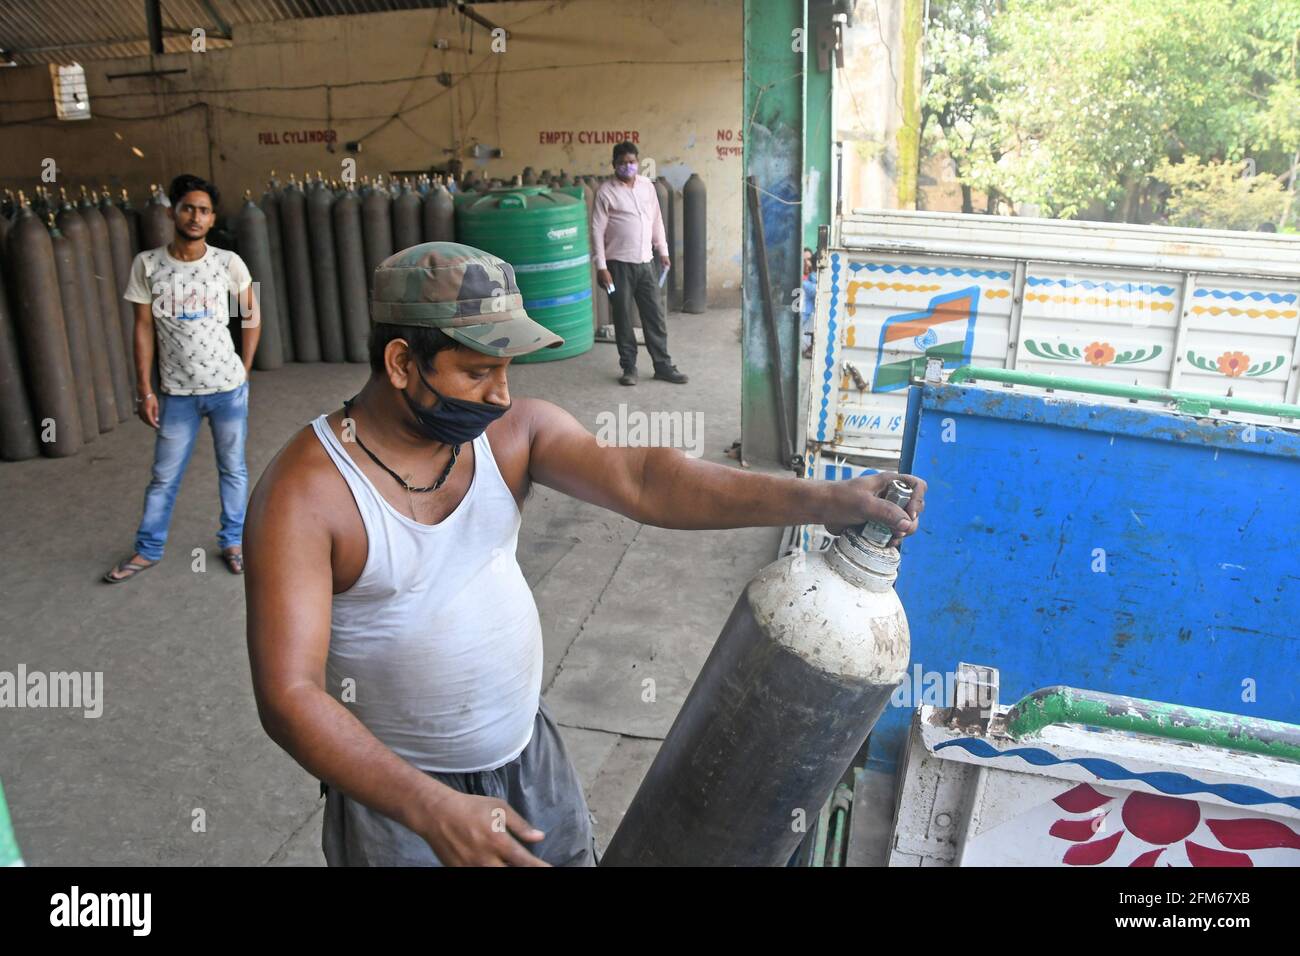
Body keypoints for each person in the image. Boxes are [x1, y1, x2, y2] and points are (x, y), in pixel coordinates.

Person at [243, 242, 927, 867]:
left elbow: (647, 481)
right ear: (400, 363)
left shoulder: (512, 434)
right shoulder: (308, 494)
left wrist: (828, 499)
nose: (503, 393)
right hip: (396, 797)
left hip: (526, 754)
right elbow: (290, 695)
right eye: (479, 371)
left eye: (509, 368)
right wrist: (430, 808)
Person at [103, 174, 261, 583]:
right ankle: (148, 549)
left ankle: (234, 542)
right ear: (173, 211)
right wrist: (145, 389)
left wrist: (244, 368)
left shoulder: (228, 262)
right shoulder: (148, 264)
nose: (196, 216)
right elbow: (142, 328)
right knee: (164, 475)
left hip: (227, 389)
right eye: (188, 208)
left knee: (233, 469)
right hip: (177, 395)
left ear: (212, 218)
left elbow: (251, 313)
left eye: (204, 210)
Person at [590, 141, 687, 387]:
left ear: (638, 162)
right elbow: (596, 231)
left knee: (654, 315)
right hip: (616, 267)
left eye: (631, 162)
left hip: (646, 264)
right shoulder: (605, 192)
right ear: (614, 165)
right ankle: (629, 368)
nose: (627, 166)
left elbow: (656, 221)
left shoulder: (647, 187)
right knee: (622, 317)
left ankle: (663, 366)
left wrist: (662, 250)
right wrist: (601, 267)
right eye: (622, 163)